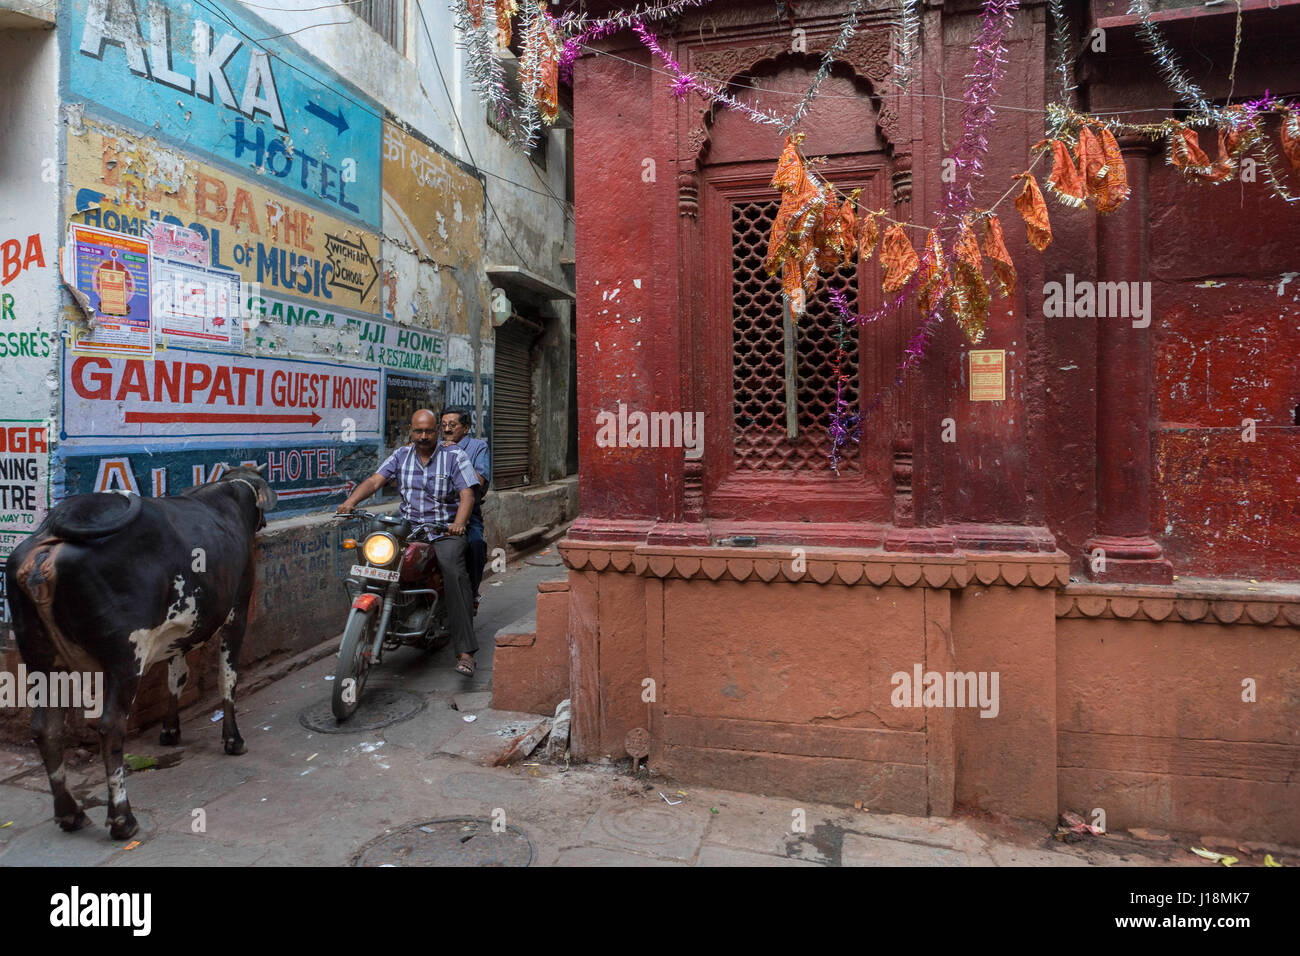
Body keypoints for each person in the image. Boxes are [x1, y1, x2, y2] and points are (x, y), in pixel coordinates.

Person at [337, 409, 481, 676]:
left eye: (428, 431)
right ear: (411, 432)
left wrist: (459, 523)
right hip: (408, 529)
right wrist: (350, 502)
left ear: (437, 431)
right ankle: (366, 628)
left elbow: (467, 494)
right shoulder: (401, 455)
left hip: (442, 531)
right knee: (374, 561)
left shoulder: (454, 456)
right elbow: (374, 480)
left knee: (454, 572)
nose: (423, 436)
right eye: (418, 431)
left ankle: (465, 651)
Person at [439, 408, 490, 612]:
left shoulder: (478, 447)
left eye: (452, 425)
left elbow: (479, 482)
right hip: (436, 511)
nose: (447, 430)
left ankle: (473, 592)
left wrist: (457, 455)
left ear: (466, 428)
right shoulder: (435, 446)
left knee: (476, 544)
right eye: (443, 426)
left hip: (467, 514)